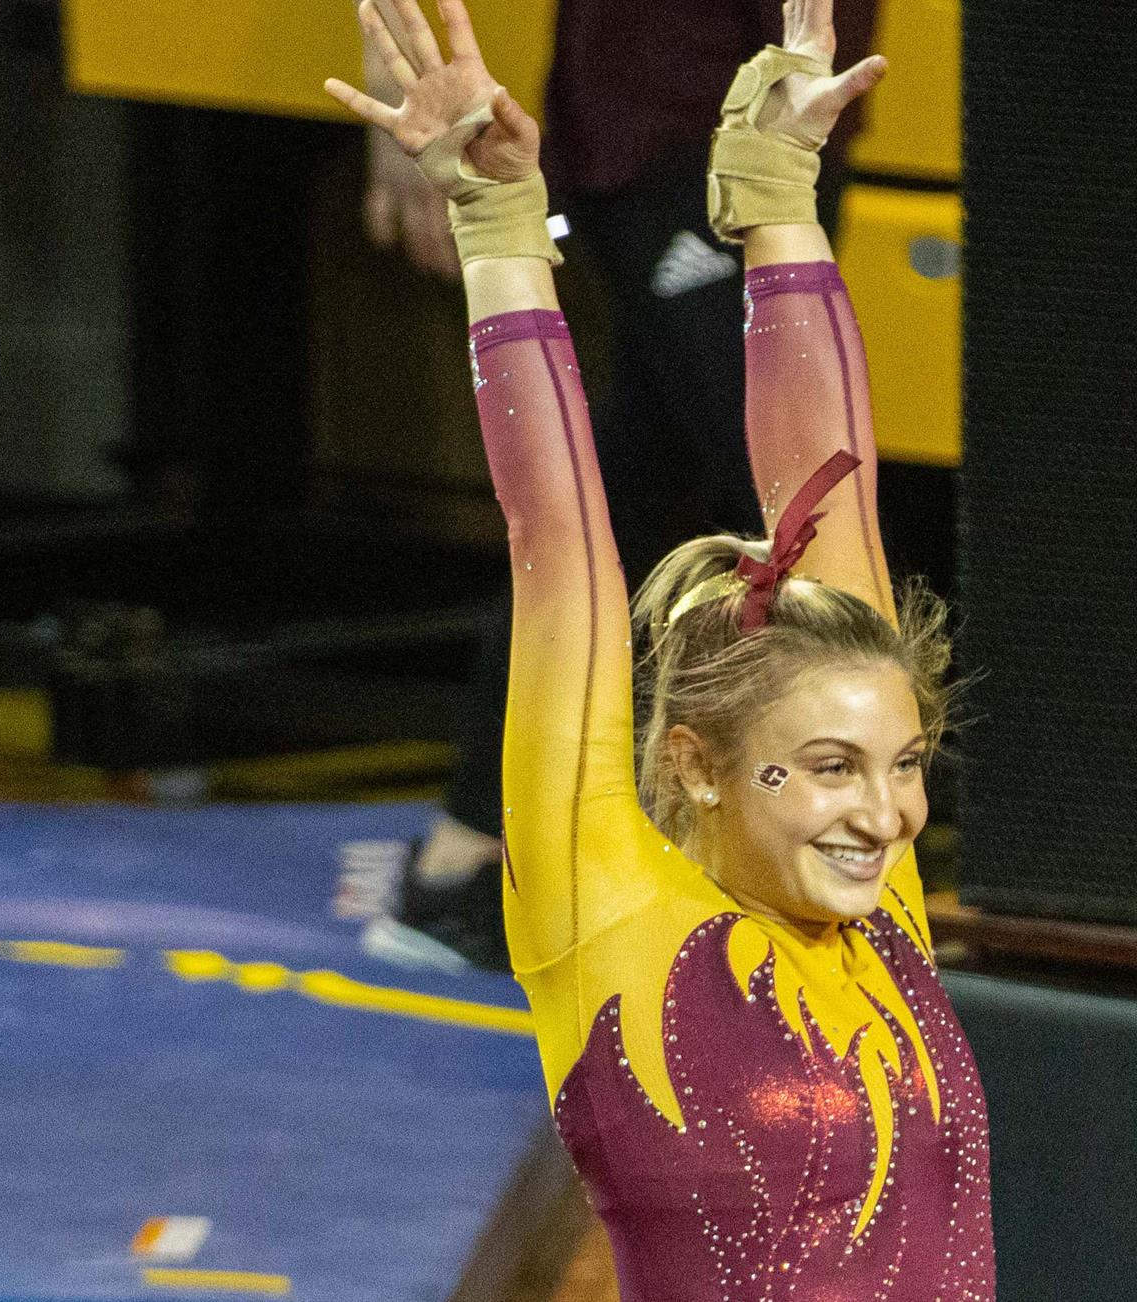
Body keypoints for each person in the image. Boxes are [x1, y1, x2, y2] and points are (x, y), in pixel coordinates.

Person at [326, 0, 995, 1294]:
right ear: (694, 764)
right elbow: (558, 549)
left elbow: (832, 496)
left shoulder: (875, 911)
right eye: (838, 767)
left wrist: (778, 195)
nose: (892, 810)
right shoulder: (609, 922)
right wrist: (501, 234)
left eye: (902, 761)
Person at [341, 0, 876, 972]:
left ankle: (469, 863)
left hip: (784, 115)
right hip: (679, 130)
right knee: (793, 506)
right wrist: (392, 83)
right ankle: (822, 873)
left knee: (637, 496)